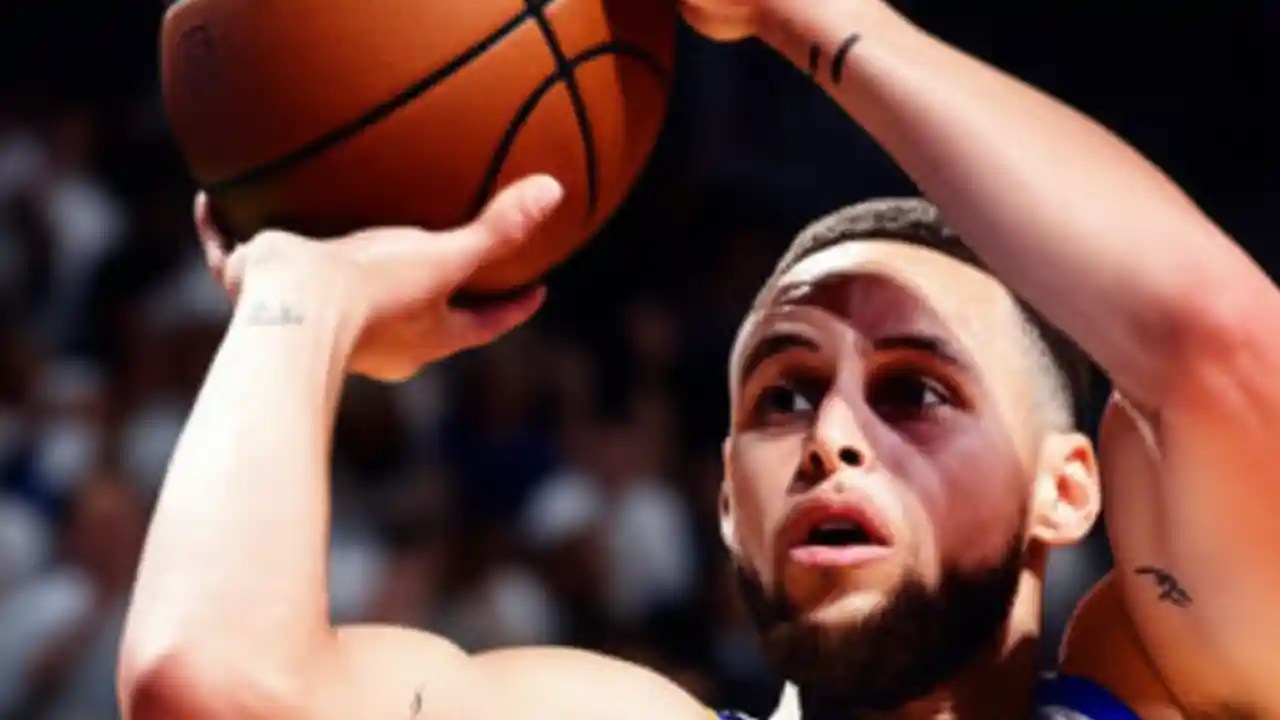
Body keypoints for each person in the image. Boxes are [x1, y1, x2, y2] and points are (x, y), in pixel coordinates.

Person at [118, 0, 1280, 717]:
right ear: (728, 500)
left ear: (1063, 487)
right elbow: (211, 688)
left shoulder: (1175, 689)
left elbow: (1226, 346)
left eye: (914, 391)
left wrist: (815, 16)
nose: (829, 438)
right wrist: (301, 300)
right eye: (783, 395)